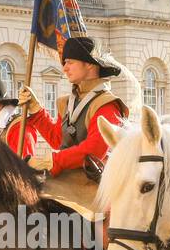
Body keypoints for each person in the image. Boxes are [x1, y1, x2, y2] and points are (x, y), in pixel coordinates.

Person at [17, 36, 127, 178]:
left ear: (89, 64)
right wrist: (36, 110)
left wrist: (54, 160)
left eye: (70, 62)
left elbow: (95, 150)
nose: (64, 68)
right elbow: (59, 141)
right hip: (69, 177)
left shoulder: (107, 104)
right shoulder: (67, 102)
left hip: (95, 181)